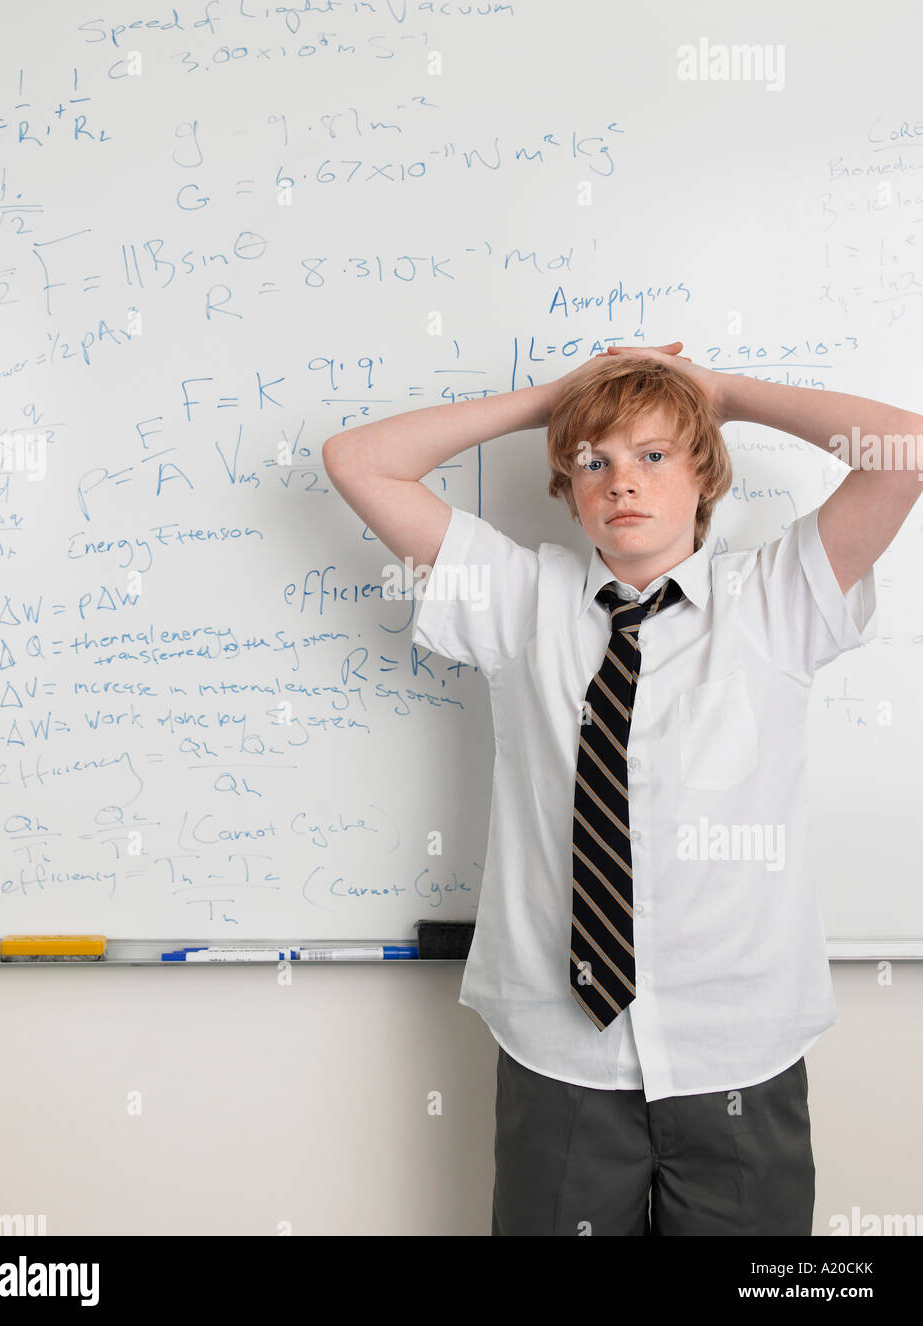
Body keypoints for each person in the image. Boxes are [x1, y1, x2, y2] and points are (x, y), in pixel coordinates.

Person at [322, 342, 923, 1235]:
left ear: (704, 474)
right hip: (560, 1052)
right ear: (567, 486)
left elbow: (903, 449)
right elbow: (357, 460)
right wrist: (559, 403)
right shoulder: (520, 598)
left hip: (738, 1054)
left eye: (654, 454)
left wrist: (714, 393)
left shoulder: (774, 598)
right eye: (593, 461)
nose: (621, 482)